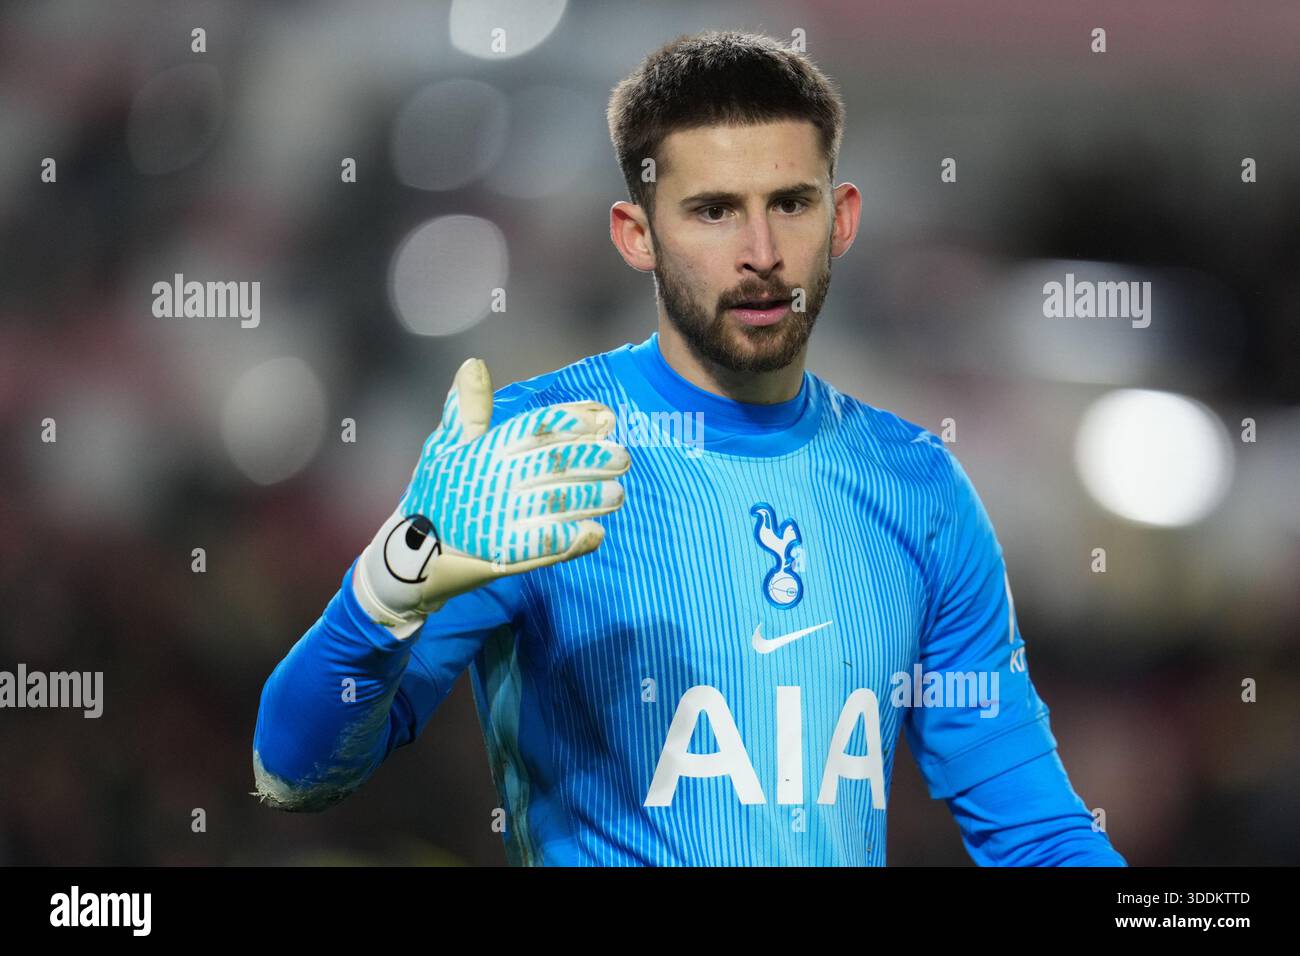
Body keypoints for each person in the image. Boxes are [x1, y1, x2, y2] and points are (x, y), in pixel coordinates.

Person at [253, 30, 1126, 866]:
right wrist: (386, 591)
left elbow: (1038, 836)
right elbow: (294, 774)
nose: (761, 254)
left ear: (843, 218)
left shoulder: (918, 487)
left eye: (791, 203)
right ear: (638, 235)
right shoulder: (537, 462)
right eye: (713, 211)